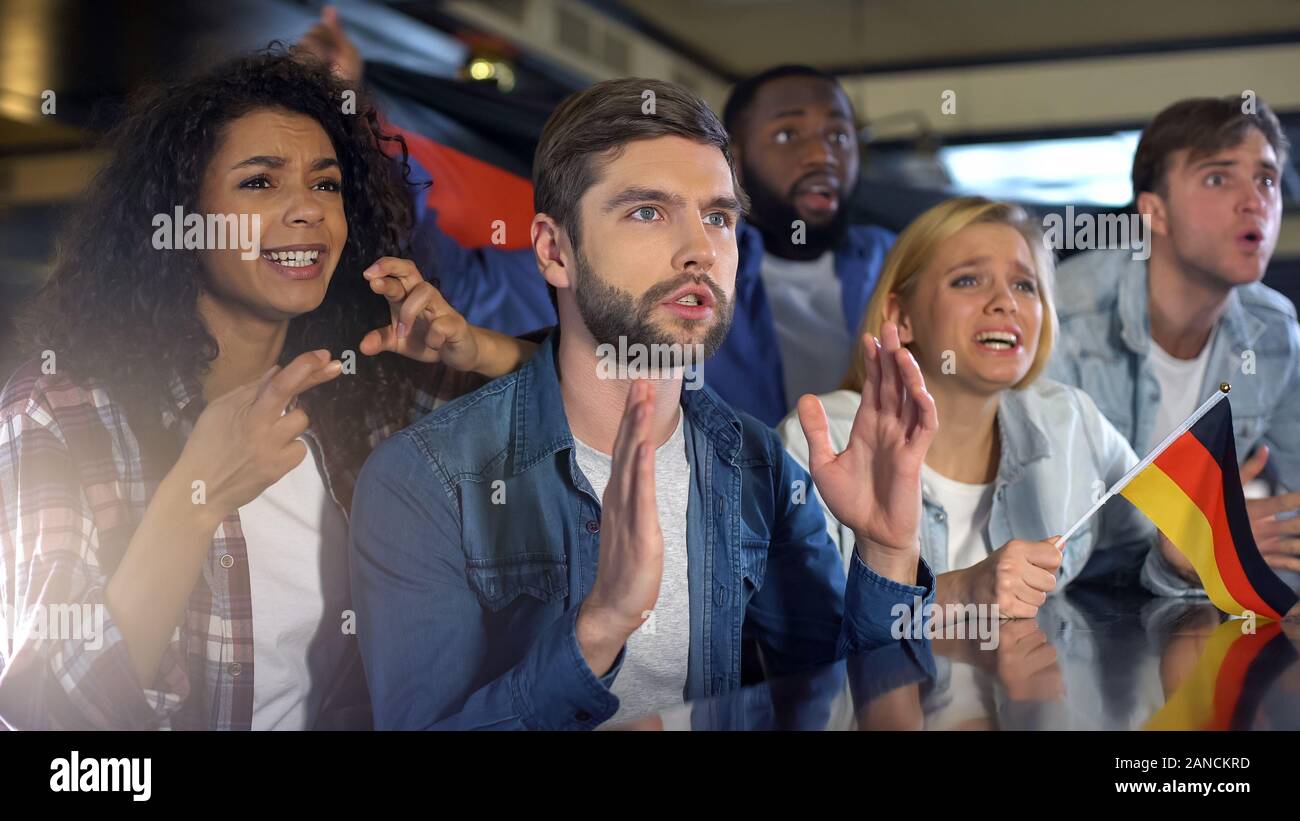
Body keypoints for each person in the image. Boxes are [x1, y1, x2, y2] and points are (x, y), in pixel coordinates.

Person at [349, 77, 939, 730]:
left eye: (717, 216)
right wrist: (599, 629)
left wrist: (886, 552)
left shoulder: (757, 464)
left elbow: (844, 704)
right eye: (648, 211)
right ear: (553, 250)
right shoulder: (425, 481)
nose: (699, 250)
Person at [0, 49, 532, 730]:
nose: (307, 210)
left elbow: (582, 417)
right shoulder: (58, 414)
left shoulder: (368, 394)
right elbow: (53, 726)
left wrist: (477, 348)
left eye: (327, 185)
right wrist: (195, 498)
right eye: (259, 183)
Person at [296, 16, 894, 425]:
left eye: (839, 134)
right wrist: (354, 112)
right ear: (728, 152)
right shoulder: (630, 262)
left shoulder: (897, 265)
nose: (822, 154)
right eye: (788, 133)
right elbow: (461, 281)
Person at [779, 197, 1155, 619]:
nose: (1005, 302)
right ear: (901, 317)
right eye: (968, 281)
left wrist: (1182, 560)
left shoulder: (1071, 419)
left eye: (1025, 285)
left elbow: (1142, 557)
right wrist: (960, 593)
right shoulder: (820, 438)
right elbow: (804, 638)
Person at [1047, 97, 1300, 594]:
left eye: (1266, 179)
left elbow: (1289, 516)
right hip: (1060, 623)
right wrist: (1191, 545)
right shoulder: (1062, 321)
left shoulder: (1274, 334)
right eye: (1218, 178)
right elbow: (1048, 551)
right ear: (1153, 211)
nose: (1254, 201)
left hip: (1184, 608)